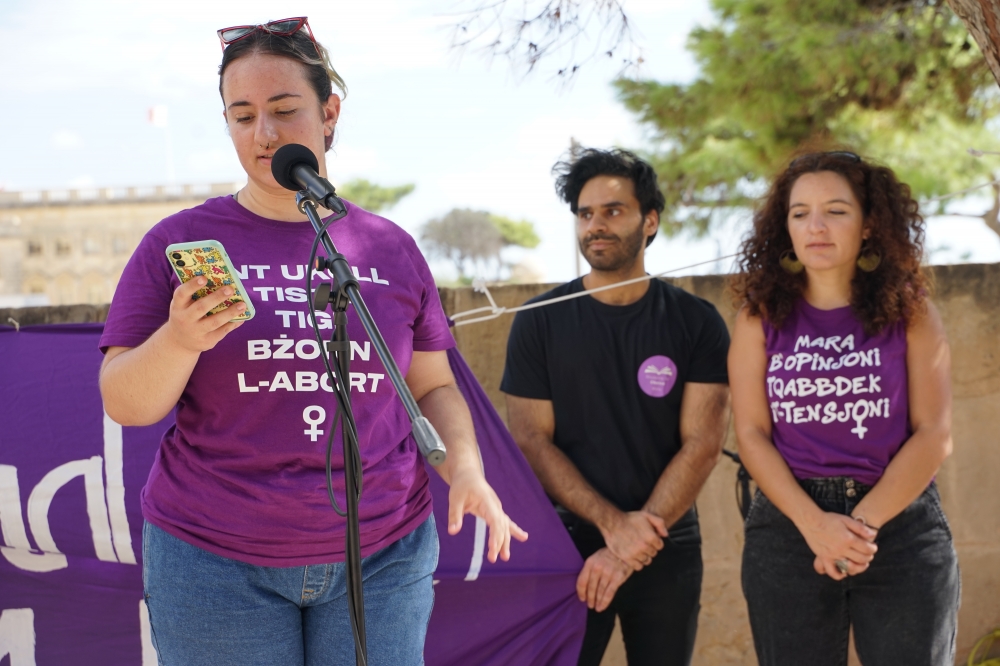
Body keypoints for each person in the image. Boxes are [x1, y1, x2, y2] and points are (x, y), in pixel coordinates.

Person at [98, 17, 526, 666]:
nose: (264, 134)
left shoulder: (391, 248)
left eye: (283, 109)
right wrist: (181, 339)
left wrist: (464, 469)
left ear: (329, 113)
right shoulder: (175, 244)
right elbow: (125, 401)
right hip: (215, 560)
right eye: (241, 116)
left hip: (382, 554)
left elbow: (433, 386)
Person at [728, 151, 959, 666]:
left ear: (869, 224)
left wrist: (860, 528)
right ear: (783, 225)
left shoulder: (912, 311)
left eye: (836, 210)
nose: (816, 226)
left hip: (898, 527)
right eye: (799, 213)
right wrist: (815, 526)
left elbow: (934, 433)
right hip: (790, 531)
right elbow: (750, 434)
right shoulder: (758, 317)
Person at [501, 148, 731, 666]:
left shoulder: (695, 322)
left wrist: (634, 537)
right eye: (585, 214)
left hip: (665, 538)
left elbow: (704, 443)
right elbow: (531, 440)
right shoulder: (539, 321)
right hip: (566, 542)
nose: (595, 226)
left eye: (613, 211)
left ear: (649, 220)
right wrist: (612, 528)